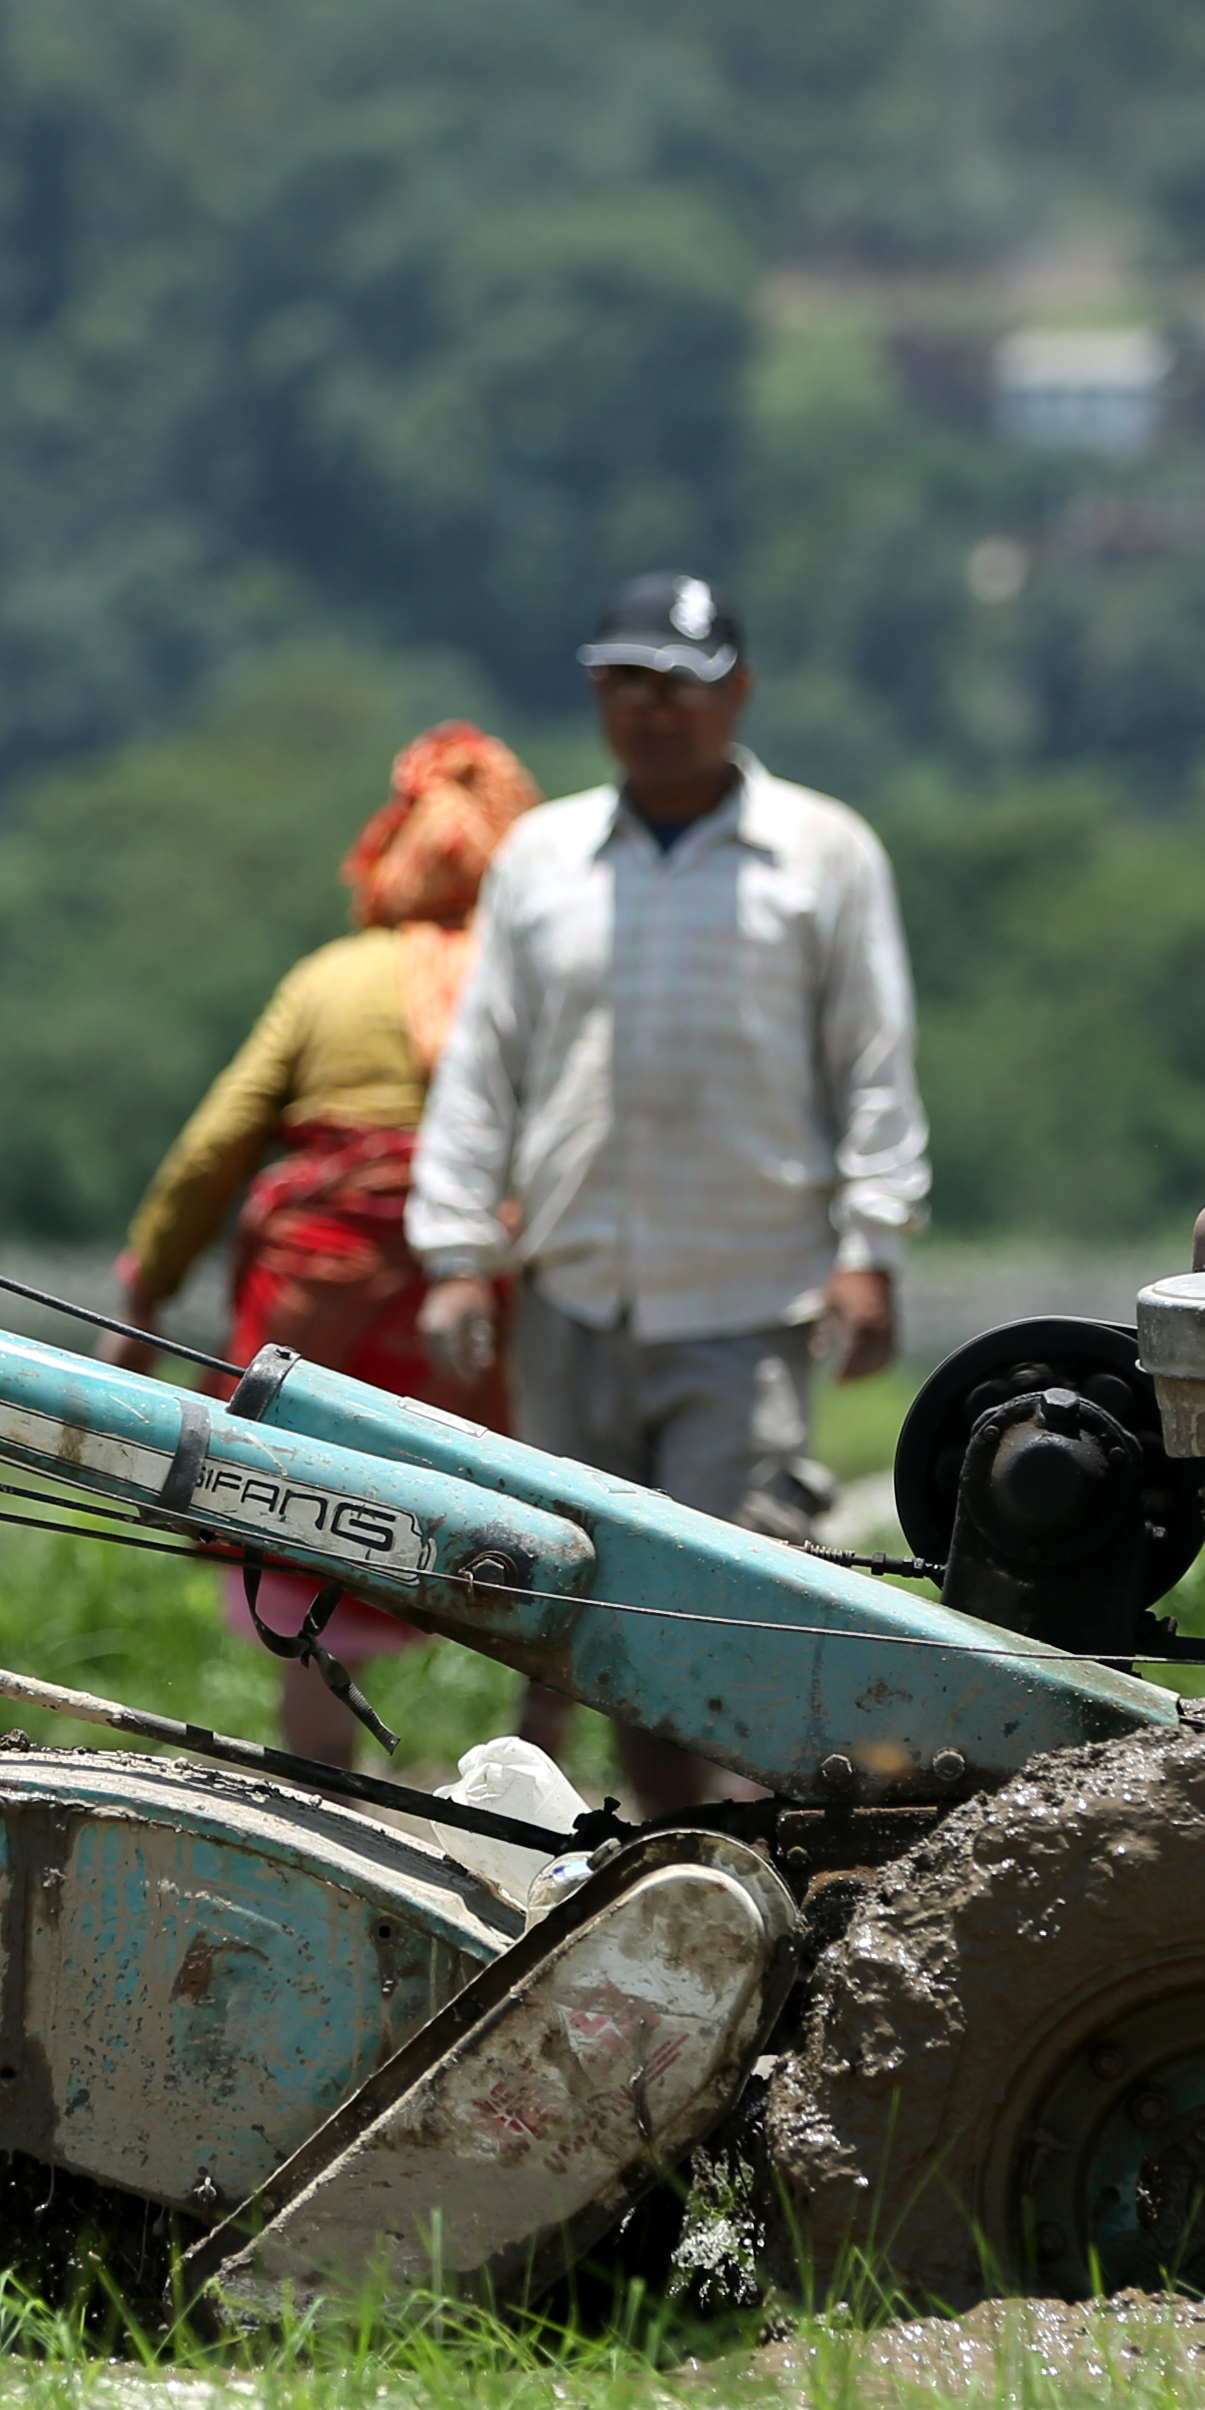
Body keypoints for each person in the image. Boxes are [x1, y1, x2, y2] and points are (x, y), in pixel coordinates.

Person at [410, 571, 926, 1818]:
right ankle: (675, 1853)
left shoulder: (820, 853)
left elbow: (873, 1058)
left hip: (747, 1296)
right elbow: (487, 1061)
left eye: (684, 687)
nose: (657, 712)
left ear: (737, 693)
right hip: (577, 1292)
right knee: (588, 1612)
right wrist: (457, 1252)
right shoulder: (543, 859)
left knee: (730, 1604)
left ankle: (769, 1858)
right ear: (597, 695)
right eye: (631, 685)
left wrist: (872, 1247)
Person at [106, 723, 548, 1763]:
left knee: (302, 1530)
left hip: (323, 1297)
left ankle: (319, 1796)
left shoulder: (331, 980)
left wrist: (146, 1299)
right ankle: (554, 1790)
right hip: (492, 1298)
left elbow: (216, 1144)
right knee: (528, 1538)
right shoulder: (539, 979)